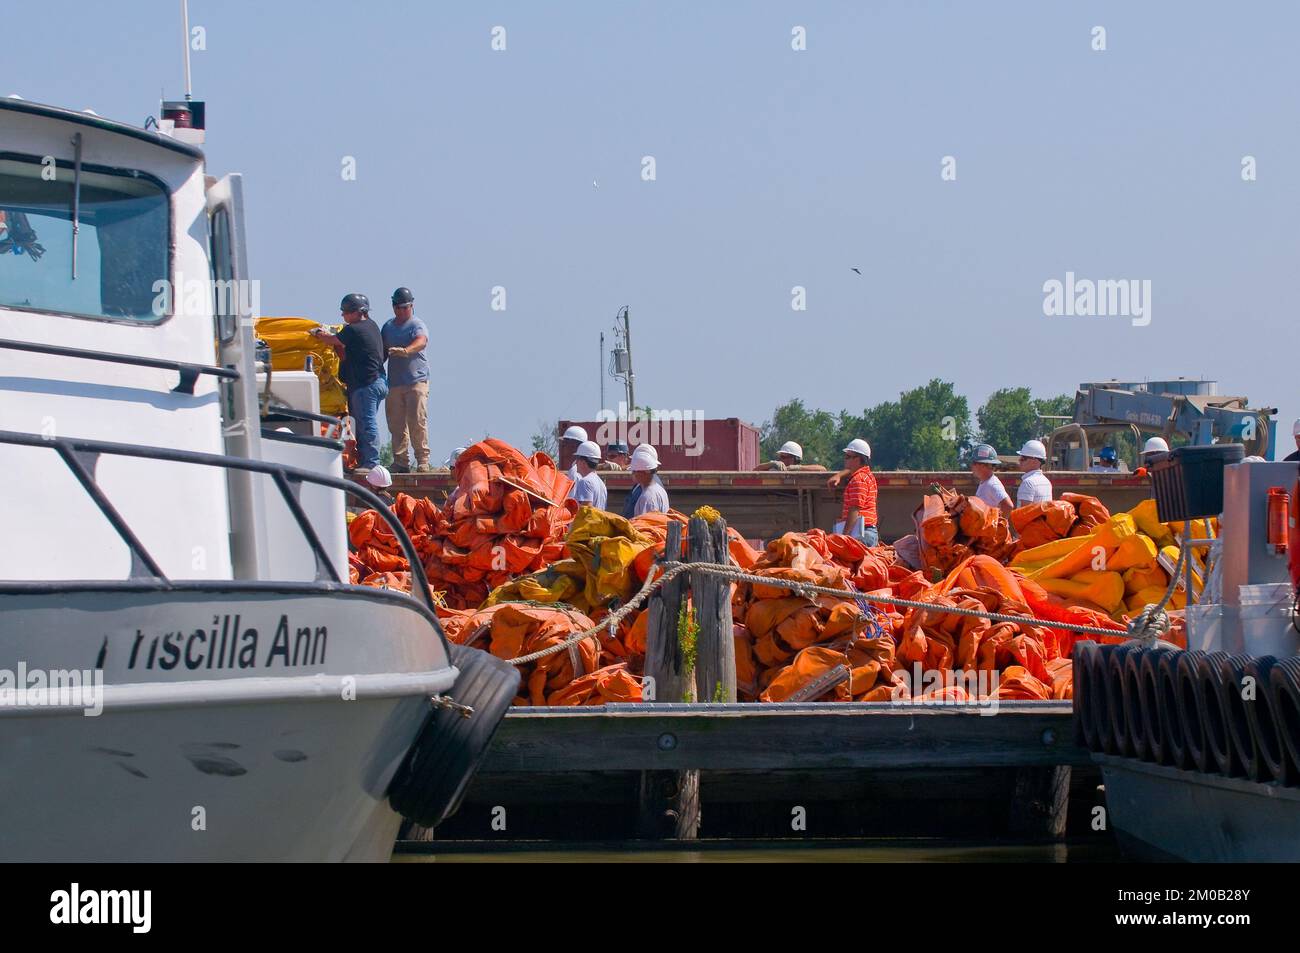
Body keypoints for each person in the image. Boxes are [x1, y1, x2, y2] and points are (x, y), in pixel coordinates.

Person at [310, 294, 387, 472]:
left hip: (366, 385)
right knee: (362, 423)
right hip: (377, 381)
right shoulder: (371, 325)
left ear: (356, 312)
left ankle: (371, 463)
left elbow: (332, 340)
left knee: (366, 424)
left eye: (345, 312)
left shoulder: (355, 329)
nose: (343, 316)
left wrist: (318, 333)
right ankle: (366, 460)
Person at [381, 287, 431, 473]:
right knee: (396, 423)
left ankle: (422, 460)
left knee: (417, 420)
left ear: (412, 306)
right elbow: (382, 351)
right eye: (398, 307)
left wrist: (406, 351)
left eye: (405, 307)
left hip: (416, 381)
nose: (402, 311)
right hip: (395, 382)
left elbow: (421, 341)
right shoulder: (388, 327)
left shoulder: (416, 324)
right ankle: (400, 461)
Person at [831, 438, 878, 546]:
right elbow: (849, 470)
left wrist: (844, 537)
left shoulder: (858, 480)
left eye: (848, 457)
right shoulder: (866, 476)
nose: (845, 460)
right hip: (866, 532)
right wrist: (838, 475)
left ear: (858, 459)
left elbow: (854, 510)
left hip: (862, 533)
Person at [970, 443, 1013, 518]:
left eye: (974, 463)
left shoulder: (992, 484)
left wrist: (998, 524)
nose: (971, 466)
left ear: (982, 465)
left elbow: (1008, 505)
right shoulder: (985, 483)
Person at [566, 441, 608, 511]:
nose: (576, 462)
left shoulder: (585, 482)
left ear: (583, 462)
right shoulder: (601, 483)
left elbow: (586, 514)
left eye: (577, 458)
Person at [629, 443, 670, 515]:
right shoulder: (659, 490)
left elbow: (646, 525)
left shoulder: (647, 498)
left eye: (634, 470)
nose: (632, 473)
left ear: (645, 471)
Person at [1015, 439, 1053, 505]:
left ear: (1034, 461)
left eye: (1023, 459)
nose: (1019, 461)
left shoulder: (1028, 483)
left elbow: (1025, 513)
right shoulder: (1046, 481)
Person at [755, 441, 827, 471]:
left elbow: (823, 469)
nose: (780, 460)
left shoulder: (801, 471)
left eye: (783, 457)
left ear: (795, 459)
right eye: (780, 457)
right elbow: (755, 470)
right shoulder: (775, 469)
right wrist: (772, 464)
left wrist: (798, 468)